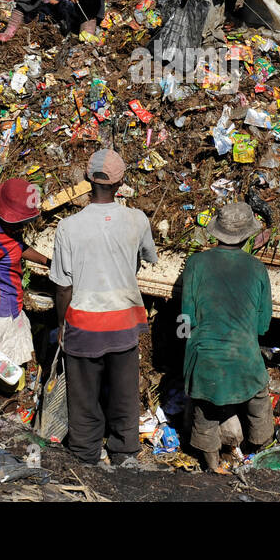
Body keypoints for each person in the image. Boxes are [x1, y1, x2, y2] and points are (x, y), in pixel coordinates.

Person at [49, 150, 158, 466]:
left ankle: (85, 453)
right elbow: (147, 258)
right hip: (124, 322)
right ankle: (125, 453)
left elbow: (63, 286)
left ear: (87, 179)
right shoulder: (137, 220)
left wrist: (62, 325)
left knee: (83, 395)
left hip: (84, 324)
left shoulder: (68, 227)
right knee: (124, 393)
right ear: (120, 182)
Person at [181, 203, 273, 473]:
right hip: (245, 359)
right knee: (259, 398)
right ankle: (261, 449)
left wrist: (188, 350)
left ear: (216, 233)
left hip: (205, 359)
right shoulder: (257, 269)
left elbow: (186, 317)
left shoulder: (196, 263)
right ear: (247, 236)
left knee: (205, 408)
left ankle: (211, 462)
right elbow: (263, 325)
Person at [0, 178, 50, 371]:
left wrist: (47, 262)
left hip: (11, 302)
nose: (22, 228)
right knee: (1, 369)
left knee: (10, 363)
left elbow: (15, 246)